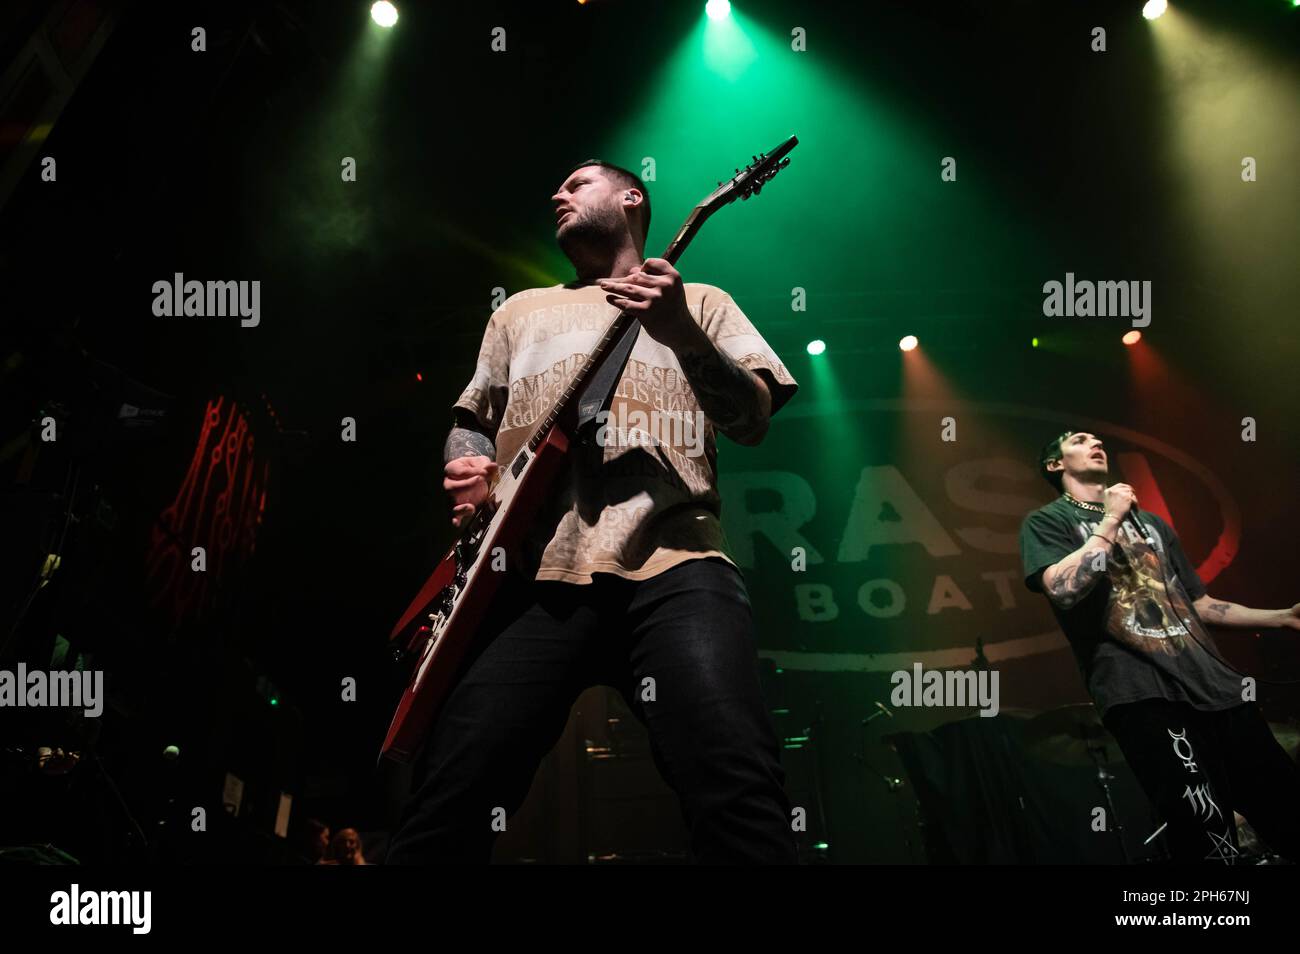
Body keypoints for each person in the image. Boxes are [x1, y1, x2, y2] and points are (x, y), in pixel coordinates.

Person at [385, 159, 800, 864]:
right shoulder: (518, 311)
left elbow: (751, 420)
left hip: (678, 567)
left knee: (739, 792)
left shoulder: (701, 299)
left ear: (632, 196)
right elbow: (470, 419)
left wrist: (681, 330)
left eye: (577, 183)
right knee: (448, 801)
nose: (557, 194)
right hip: (531, 581)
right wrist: (465, 463)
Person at [1019, 429, 1300, 864]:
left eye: (1097, 439)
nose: (1095, 442)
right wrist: (1109, 519)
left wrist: (1280, 617)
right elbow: (1063, 589)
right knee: (1203, 827)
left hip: (1215, 686)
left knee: (1284, 804)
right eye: (1079, 439)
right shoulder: (1047, 521)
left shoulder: (1153, 525)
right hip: (1141, 692)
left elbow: (1201, 604)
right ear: (1055, 465)